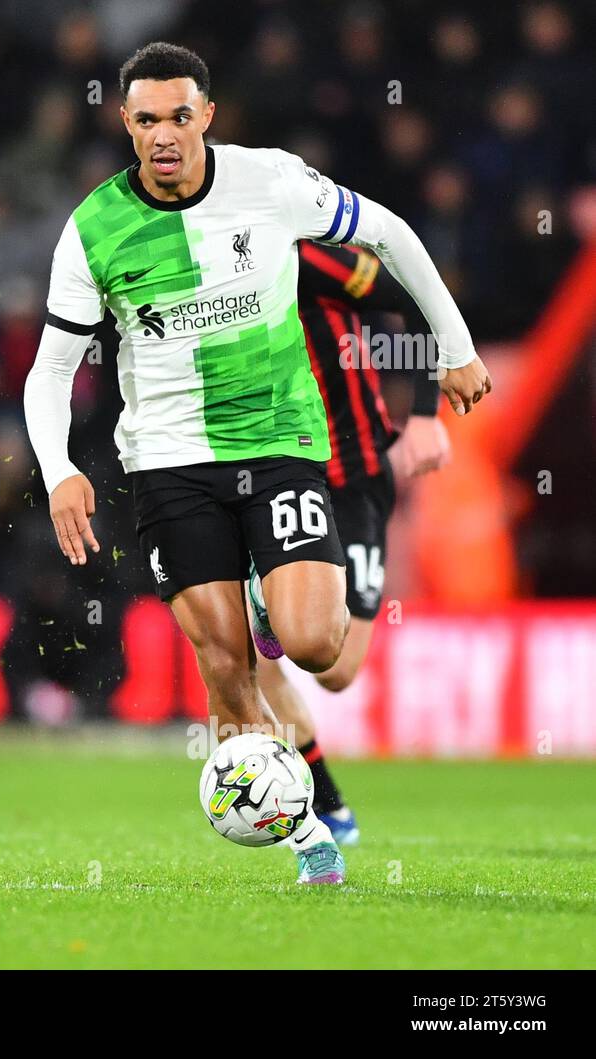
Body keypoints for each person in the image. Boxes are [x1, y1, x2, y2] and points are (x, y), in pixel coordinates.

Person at [23, 42, 491, 884]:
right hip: (168, 463)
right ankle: (307, 833)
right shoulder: (93, 227)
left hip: (279, 445)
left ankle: (271, 605)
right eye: (144, 120)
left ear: (206, 113)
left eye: (178, 115)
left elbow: (391, 233)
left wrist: (452, 349)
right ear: (124, 123)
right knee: (226, 673)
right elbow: (52, 368)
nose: (163, 135)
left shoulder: (270, 182)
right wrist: (58, 467)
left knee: (315, 646)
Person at [256, 240, 453, 847]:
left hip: (355, 478)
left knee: (337, 669)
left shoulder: (303, 257)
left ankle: (268, 612)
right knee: (256, 661)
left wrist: (424, 413)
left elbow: (417, 299)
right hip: (277, 476)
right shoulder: (203, 270)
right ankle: (326, 803)